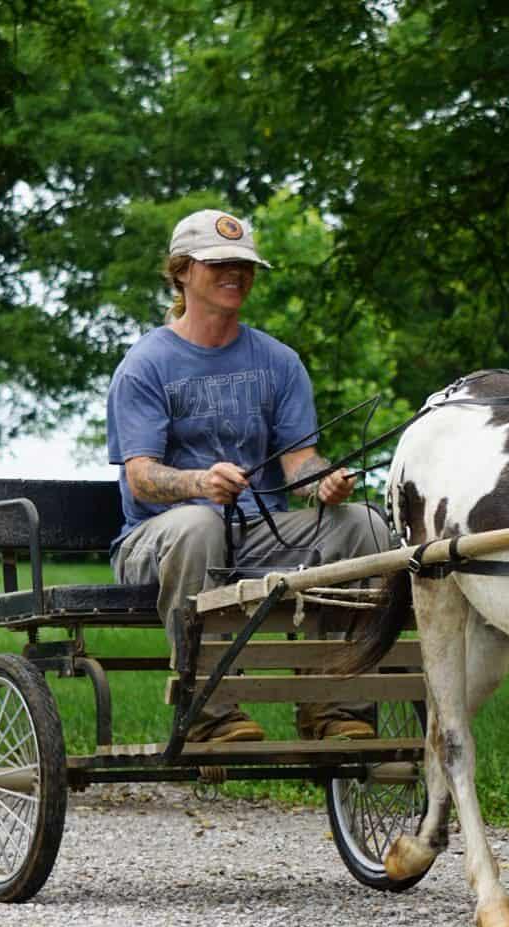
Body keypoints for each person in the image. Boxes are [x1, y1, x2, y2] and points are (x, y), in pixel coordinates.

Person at [107, 208, 387, 743]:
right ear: (182, 271)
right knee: (199, 525)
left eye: (244, 264)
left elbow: (300, 462)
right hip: (159, 542)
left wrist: (325, 481)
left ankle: (333, 707)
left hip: (258, 533)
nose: (236, 273)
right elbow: (141, 478)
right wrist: (200, 483)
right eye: (219, 263)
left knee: (365, 525)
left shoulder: (278, 362)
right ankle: (209, 713)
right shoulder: (146, 364)